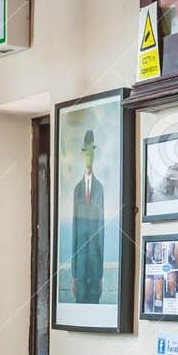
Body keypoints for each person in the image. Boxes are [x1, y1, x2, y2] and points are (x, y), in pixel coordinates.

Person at [71, 129, 105, 303]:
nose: (88, 157)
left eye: (91, 152)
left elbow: (101, 231)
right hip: (80, 267)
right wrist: (73, 274)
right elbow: (74, 233)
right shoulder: (77, 190)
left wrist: (100, 275)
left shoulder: (99, 188)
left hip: (94, 267)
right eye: (86, 152)